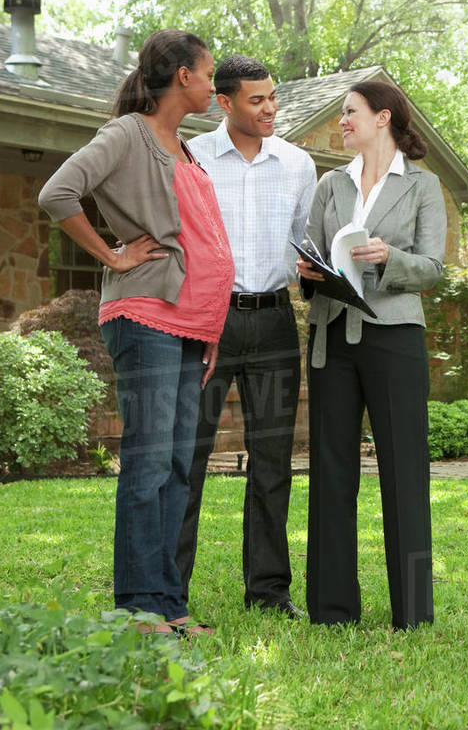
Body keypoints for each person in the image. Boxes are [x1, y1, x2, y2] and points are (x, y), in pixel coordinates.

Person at [38, 29, 233, 637]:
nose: (211, 85)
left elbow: (202, 239)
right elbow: (57, 192)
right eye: (207, 74)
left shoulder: (187, 146)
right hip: (145, 315)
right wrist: (113, 257)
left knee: (176, 464)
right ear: (181, 76)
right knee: (149, 464)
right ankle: (137, 607)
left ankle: (169, 606)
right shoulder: (127, 133)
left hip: (189, 323)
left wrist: (211, 327)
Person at [296, 80, 445, 630]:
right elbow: (310, 256)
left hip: (395, 339)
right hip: (331, 338)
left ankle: (413, 610)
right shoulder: (329, 185)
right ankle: (332, 611)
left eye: (350, 111)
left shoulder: (423, 187)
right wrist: (309, 272)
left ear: (383, 117)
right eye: (341, 113)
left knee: (405, 473)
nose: (342, 120)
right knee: (331, 473)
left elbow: (433, 268)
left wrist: (389, 258)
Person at [176, 55, 316, 618]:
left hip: (276, 320)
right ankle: (169, 592)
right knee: (188, 457)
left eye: (273, 98)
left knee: (273, 461)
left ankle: (268, 592)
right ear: (225, 102)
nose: (270, 109)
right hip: (207, 321)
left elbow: (307, 247)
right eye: (256, 100)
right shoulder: (193, 156)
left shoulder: (299, 164)